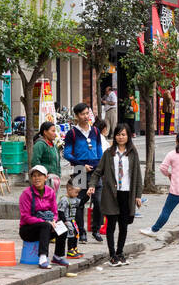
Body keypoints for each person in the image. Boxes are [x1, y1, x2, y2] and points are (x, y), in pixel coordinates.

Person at [89, 124, 141, 266]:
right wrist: (92, 185)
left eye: (123, 134)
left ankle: (120, 252)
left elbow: (137, 175)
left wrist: (138, 195)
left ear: (128, 136)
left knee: (124, 225)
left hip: (127, 193)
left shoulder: (133, 153)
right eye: (118, 134)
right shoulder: (108, 153)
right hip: (111, 194)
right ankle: (112, 255)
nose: (121, 137)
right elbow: (98, 172)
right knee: (111, 225)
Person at [141, 130, 179, 242]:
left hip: (178, 188)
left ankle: (154, 230)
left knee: (167, 211)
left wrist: (169, 174)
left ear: (176, 140)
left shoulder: (172, 154)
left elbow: (163, 168)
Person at [63, 102, 104, 243]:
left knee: (99, 201)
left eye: (87, 113)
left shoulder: (96, 131)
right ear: (77, 116)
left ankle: (96, 229)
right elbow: (67, 153)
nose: (86, 116)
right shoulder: (72, 133)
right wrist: (81, 164)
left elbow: (99, 151)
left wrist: (101, 167)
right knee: (79, 201)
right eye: (82, 114)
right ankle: (81, 231)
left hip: (96, 170)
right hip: (79, 170)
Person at [20, 165, 68, 269]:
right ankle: (42, 258)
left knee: (62, 227)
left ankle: (58, 256)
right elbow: (25, 217)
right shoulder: (26, 194)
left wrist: (54, 221)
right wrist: (44, 221)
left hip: (46, 226)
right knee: (45, 225)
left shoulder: (50, 192)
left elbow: (55, 212)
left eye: (39, 175)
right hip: (28, 230)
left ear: (45, 177)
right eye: (34, 176)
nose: (36, 178)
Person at [29, 121, 62, 190]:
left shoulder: (54, 146)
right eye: (52, 131)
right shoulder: (40, 144)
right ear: (45, 132)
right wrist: (41, 177)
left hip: (54, 180)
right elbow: (35, 161)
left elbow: (58, 162)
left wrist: (58, 175)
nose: (55, 134)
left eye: (55, 131)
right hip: (44, 181)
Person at [58, 183, 84, 259]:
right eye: (76, 192)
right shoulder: (64, 199)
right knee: (71, 234)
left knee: (76, 233)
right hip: (67, 220)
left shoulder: (75, 199)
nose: (77, 194)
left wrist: (88, 196)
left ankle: (75, 248)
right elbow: (60, 211)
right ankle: (70, 250)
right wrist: (64, 221)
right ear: (69, 190)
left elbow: (81, 202)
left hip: (73, 220)